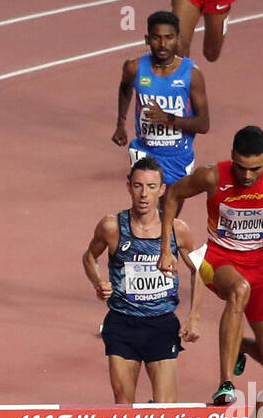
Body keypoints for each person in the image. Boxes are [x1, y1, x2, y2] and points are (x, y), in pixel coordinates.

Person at [158, 126, 263, 405]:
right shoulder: (211, 175)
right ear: (232, 156)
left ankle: (239, 345)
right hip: (217, 258)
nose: (246, 176)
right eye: (241, 167)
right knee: (239, 289)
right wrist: (165, 249)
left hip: (259, 264)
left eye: (255, 169)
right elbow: (172, 196)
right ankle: (225, 384)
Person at [82, 156, 201, 403]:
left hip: (162, 325)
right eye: (138, 186)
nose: (144, 194)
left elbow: (199, 269)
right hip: (122, 325)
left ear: (162, 190)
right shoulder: (112, 226)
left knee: (166, 413)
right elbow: (89, 257)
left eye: (151, 187)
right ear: (129, 187)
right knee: (124, 412)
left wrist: (194, 316)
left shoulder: (177, 230)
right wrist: (98, 282)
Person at [111, 10, 210, 183]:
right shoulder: (133, 68)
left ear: (178, 38)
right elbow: (125, 88)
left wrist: (167, 118)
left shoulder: (191, 75)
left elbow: (203, 125)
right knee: (146, 206)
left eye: (169, 37)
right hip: (144, 152)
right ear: (147, 39)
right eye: (156, 38)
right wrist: (121, 123)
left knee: (169, 210)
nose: (163, 44)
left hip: (179, 158)